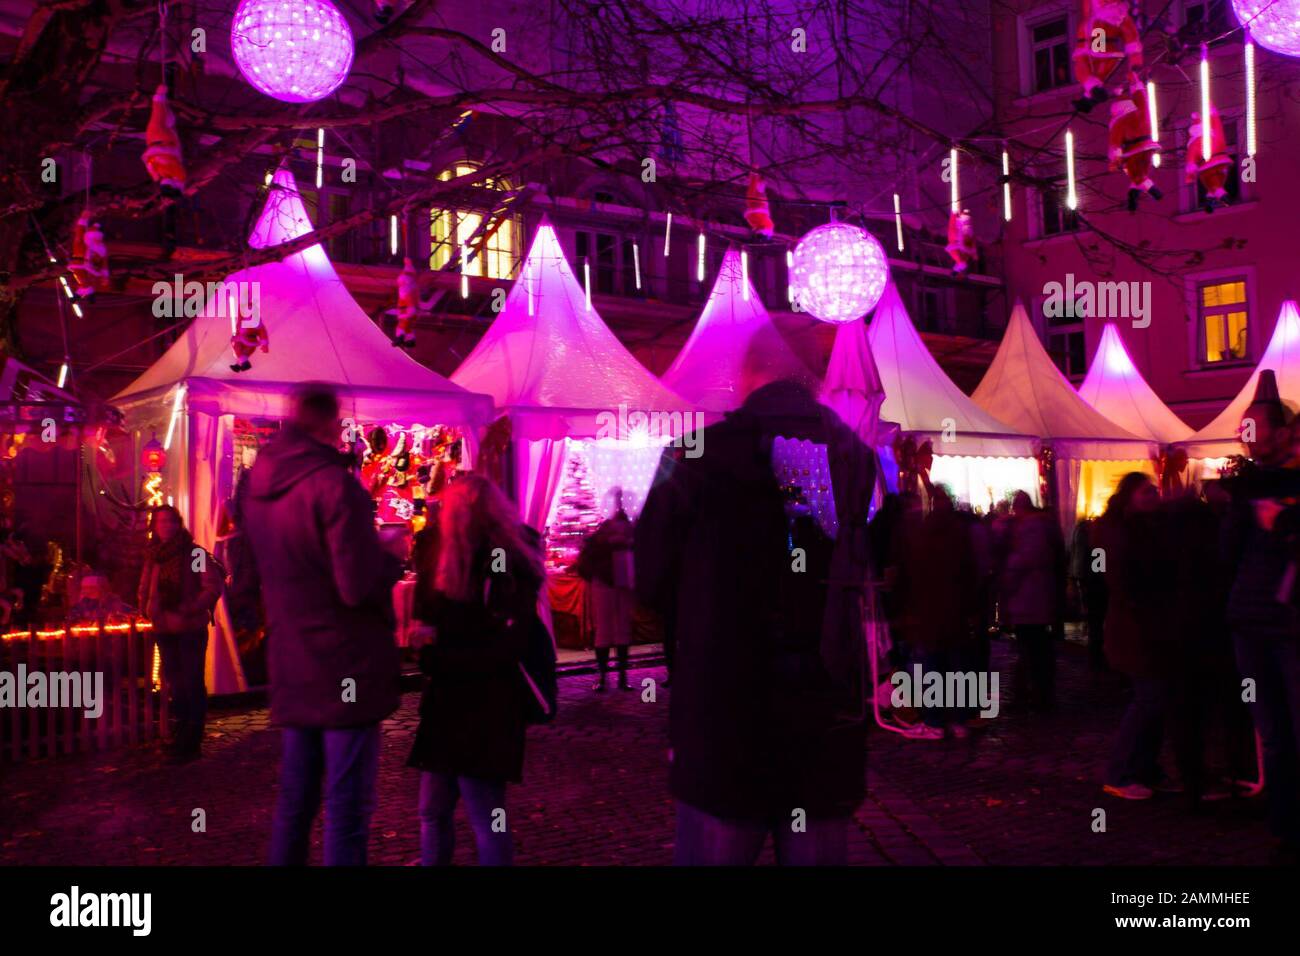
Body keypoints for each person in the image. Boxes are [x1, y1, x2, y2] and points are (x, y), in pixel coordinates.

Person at [635, 379, 875, 866]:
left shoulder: (690, 453)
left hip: (721, 716)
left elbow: (651, 581)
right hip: (824, 715)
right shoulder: (855, 456)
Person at [243, 384, 403, 866]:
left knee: (295, 804)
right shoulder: (334, 485)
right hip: (343, 665)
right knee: (346, 808)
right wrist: (390, 558)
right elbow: (354, 585)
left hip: (294, 660)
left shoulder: (259, 485)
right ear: (330, 423)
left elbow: (255, 570)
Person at [407, 475, 545, 866]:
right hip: (454, 704)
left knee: (483, 812)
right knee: (436, 809)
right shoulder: (452, 555)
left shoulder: (500, 560)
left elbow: (500, 642)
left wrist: (435, 653)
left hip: (481, 705)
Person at [1098, 473, 1180, 800]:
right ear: (1130, 496)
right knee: (1149, 699)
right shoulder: (1123, 533)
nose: (1154, 496)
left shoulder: (1146, 528)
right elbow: (1128, 582)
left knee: (1156, 699)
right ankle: (1120, 772)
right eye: (1147, 492)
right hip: (1137, 629)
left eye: (1155, 491)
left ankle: (1144, 767)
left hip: (1148, 627)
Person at [137, 505, 223, 763]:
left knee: (191, 682)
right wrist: (145, 607)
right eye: (160, 522)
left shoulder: (194, 553)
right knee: (175, 682)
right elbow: (144, 586)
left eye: (170, 521)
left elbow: (211, 586)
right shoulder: (154, 556)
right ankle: (181, 731)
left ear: (178, 524)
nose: (165, 526)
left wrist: (190, 607)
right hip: (164, 627)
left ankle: (191, 737)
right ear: (154, 526)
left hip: (188, 628)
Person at [898, 487, 980, 739]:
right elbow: (969, 574)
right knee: (958, 666)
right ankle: (959, 720)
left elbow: (913, 574)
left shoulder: (922, 535)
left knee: (932, 666)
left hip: (931, 610)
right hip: (955, 610)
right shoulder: (959, 534)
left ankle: (934, 721)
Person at [999, 491, 1066, 712]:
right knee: (1036, 647)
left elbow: (1025, 559)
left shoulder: (1030, 528)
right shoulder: (1041, 525)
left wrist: (1009, 573)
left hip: (1029, 599)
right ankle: (1038, 693)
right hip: (1036, 598)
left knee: (1032, 647)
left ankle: (1036, 694)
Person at [576, 492, 636, 691]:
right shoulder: (610, 529)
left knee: (614, 629)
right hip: (611, 579)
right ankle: (612, 676)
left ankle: (611, 677)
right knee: (612, 628)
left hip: (616, 579)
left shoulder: (624, 527)